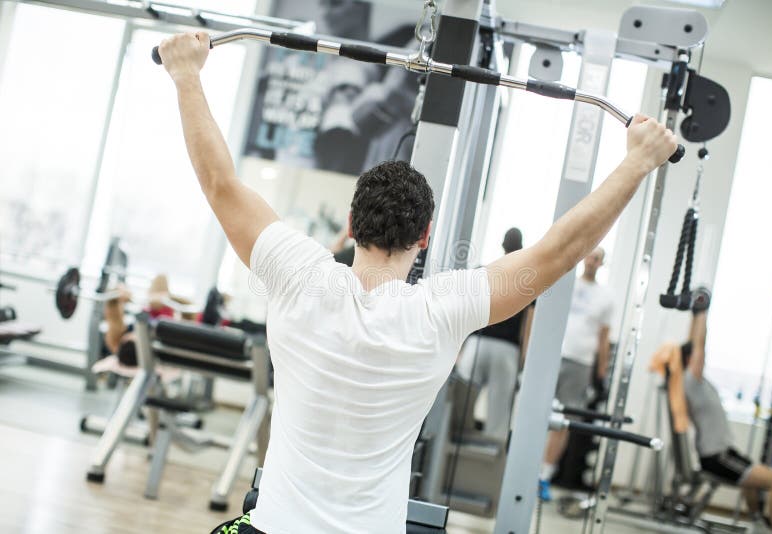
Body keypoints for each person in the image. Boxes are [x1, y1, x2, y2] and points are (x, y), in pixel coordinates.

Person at [156, 32, 677, 534]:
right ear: (426, 235)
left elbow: (220, 184)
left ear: (352, 225)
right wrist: (638, 161)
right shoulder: (442, 309)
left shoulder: (298, 275)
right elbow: (560, 251)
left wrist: (186, 75)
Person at [682, 292, 772, 526]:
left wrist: (698, 313)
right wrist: (701, 314)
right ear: (689, 361)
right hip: (717, 457)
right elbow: (697, 346)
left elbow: (696, 346)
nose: (702, 357)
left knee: (757, 477)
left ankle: (757, 523)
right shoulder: (691, 382)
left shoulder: (698, 382)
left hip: (725, 452)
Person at [539, 247, 613, 501]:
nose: (593, 261)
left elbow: (604, 339)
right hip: (552, 355)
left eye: (598, 259)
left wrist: (601, 371)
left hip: (581, 363)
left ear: (601, 264)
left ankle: (544, 476)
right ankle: (524, 469)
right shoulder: (564, 283)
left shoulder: (605, 298)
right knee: (536, 415)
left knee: (563, 422)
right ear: (584, 258)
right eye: (591, 256)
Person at [455, 228, 535, 440]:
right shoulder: (526, 279)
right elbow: (528, 324)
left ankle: (453, 438)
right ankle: (493, 454)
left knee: (460, 399)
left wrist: (459, 349)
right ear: (520, 248)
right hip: (507, 350)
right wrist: (522, 359)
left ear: (502, 245)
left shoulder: (484, 271)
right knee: (499, 410)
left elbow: (467, 312)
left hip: (477, 343)